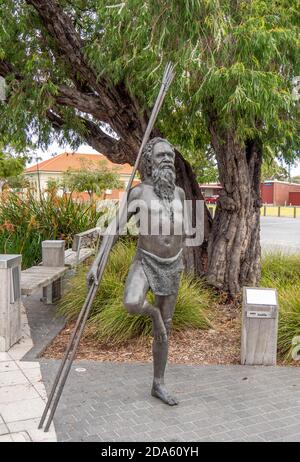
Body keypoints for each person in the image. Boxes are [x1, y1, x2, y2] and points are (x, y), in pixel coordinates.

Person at [87, 137, 186, 405]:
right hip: (145, 261)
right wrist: (97, 263)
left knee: (166, 329)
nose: (167, 159)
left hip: (172, 264)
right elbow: (114, 229)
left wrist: (180, 258)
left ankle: (159, 383)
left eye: (170, 156)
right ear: (149, 162)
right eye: (161, 155)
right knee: (132, 303)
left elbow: (183, 232)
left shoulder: (179, 194)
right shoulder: (139, 193)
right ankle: (152, 314)